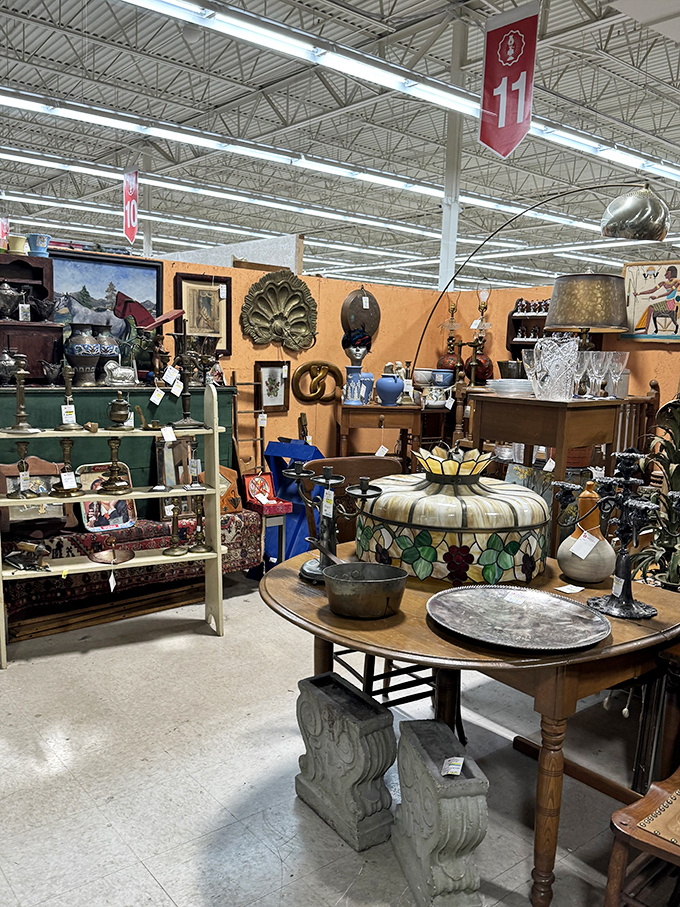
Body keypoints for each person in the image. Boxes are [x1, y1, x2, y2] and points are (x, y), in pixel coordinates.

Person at [634, 265, 680, 333]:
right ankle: (645, 329)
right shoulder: (664, 283)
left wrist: (657, 297)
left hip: (670, 303)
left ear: (671, 273)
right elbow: (652, 290)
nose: (665, 275)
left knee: (650, 308)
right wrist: (638, 293)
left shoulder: (676, 283)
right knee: (650, 308)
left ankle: (646, 330)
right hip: (666, 302)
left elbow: (669, 293)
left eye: (667, 273)